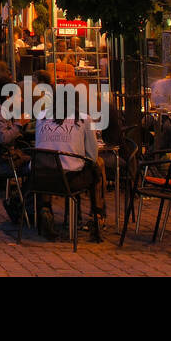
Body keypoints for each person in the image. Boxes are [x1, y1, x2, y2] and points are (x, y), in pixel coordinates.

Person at [34, 101, 106, 241]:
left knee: (49, 166)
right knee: (97, 166)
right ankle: (97, 216)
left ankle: (45, 208)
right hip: (70, 180)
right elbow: (92, 155)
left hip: (40, 179)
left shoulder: (41, 116)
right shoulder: (83, 118)